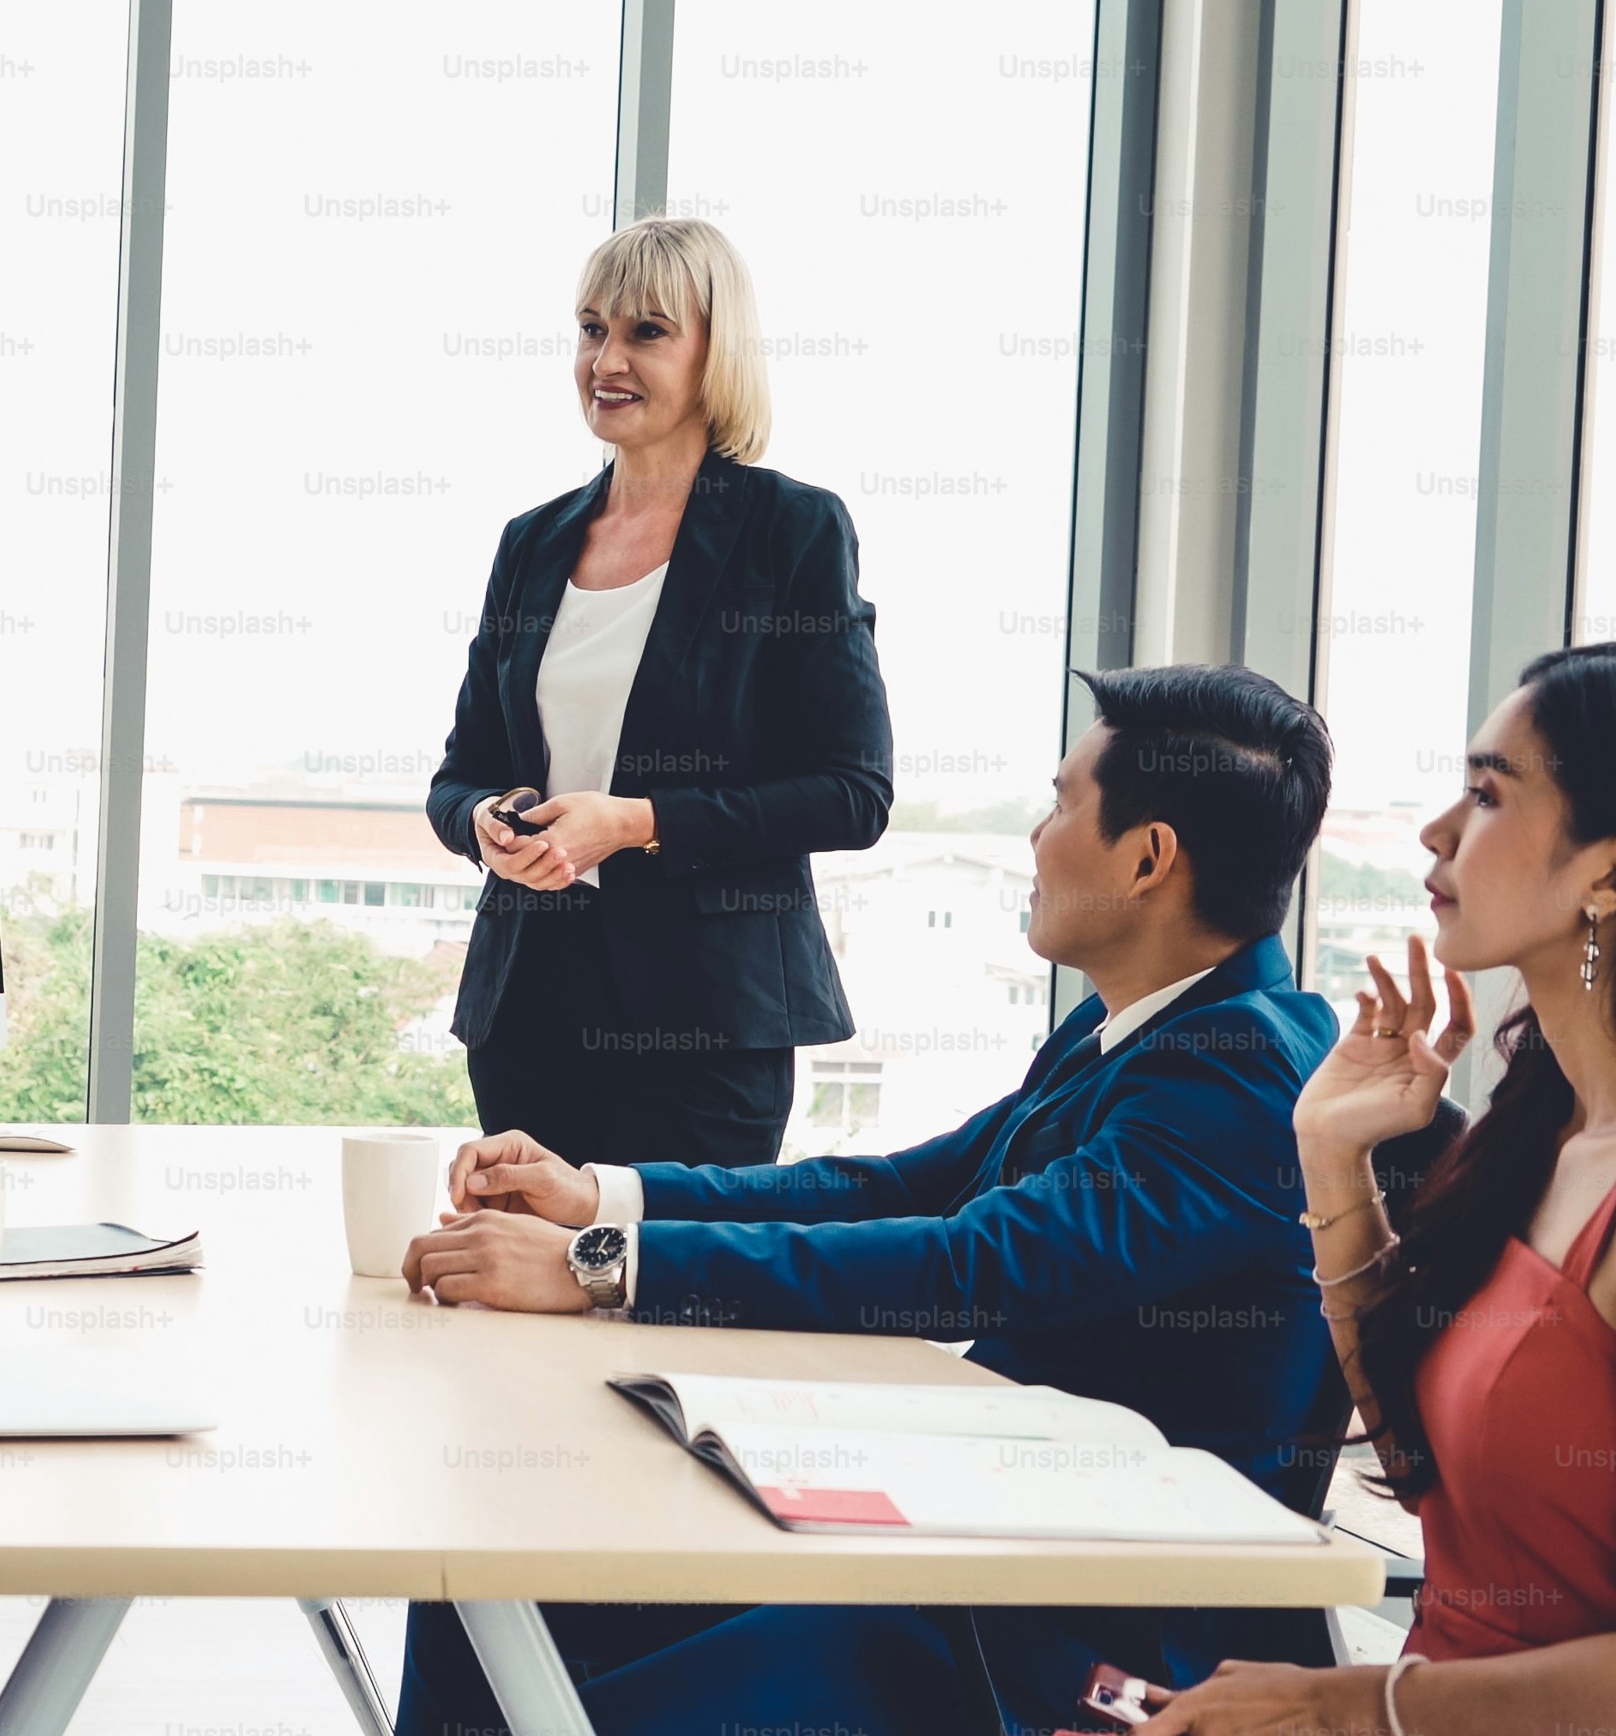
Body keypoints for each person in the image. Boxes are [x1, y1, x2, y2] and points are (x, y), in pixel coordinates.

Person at [394, 663, 1339, 1732]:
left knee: (520, 1608)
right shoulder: (1141, 1027)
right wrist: (599, 1193)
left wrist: (594, 1271)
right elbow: (899, 1185)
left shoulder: (1239, 1066)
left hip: (1051, 1624)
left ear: (1147, 857)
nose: (1036, 836)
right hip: (970, 1530)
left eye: (1062, 803)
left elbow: (971, 1265)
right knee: (475, 1577)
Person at [1152, 641, 1616, 1736]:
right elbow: (1429, 1469)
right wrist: (1330, 1156)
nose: (1436, 830)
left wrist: (1345, 1703)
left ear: (1613, 873)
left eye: (1486, 792)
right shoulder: (1552, 1136)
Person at [427, 216, 890, 1170]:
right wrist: (486, 820)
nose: (607, 358)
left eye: (646, 331)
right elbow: (458, 776)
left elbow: (853, 794)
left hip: (706, 1023)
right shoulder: (532, 541)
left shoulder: (791, 531)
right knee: (524, 1293)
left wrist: (632, 821)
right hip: (528, 1007)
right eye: (591, 328)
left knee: (667, 1298)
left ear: (716, 353)